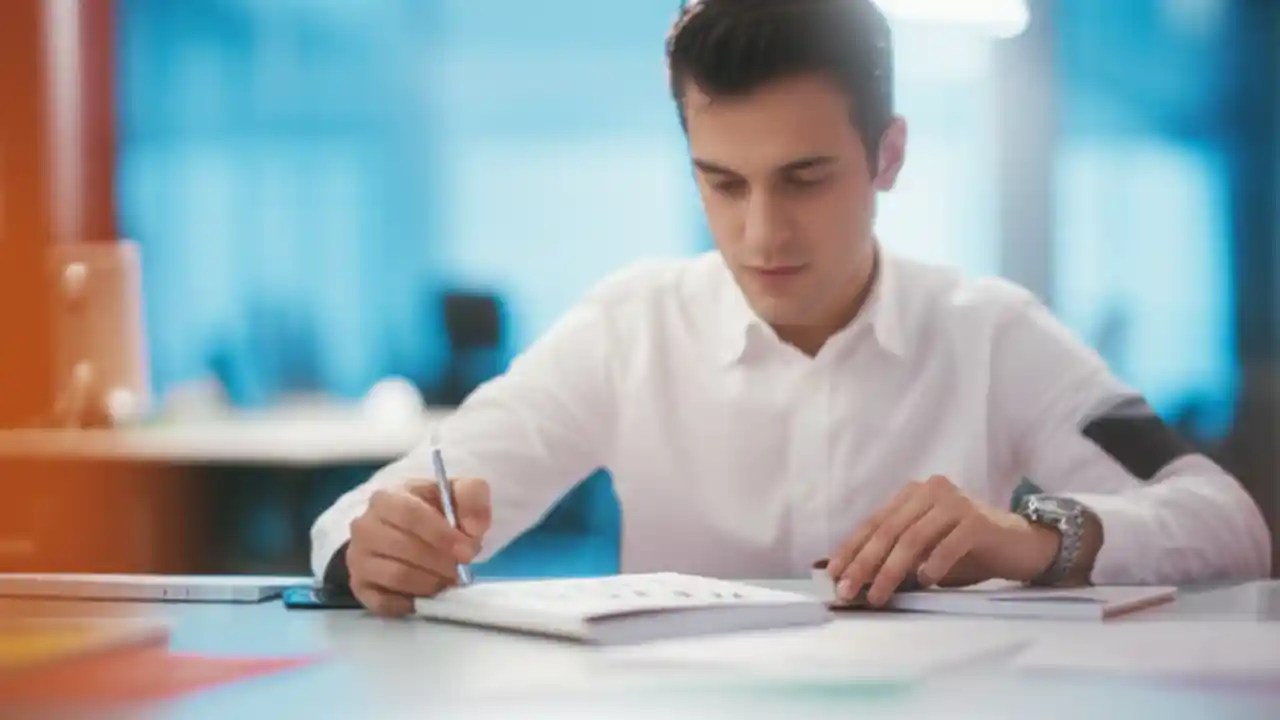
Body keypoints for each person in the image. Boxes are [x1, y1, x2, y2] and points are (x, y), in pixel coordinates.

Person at [311, 0, 1271, 617]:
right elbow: (375, 511)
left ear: (887, 157)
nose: (761, 234)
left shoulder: (994, 331)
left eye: (805, 179)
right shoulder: (627, 326)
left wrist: (1034, 540)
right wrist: (374, 544)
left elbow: (1227, 520)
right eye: (722, 183)